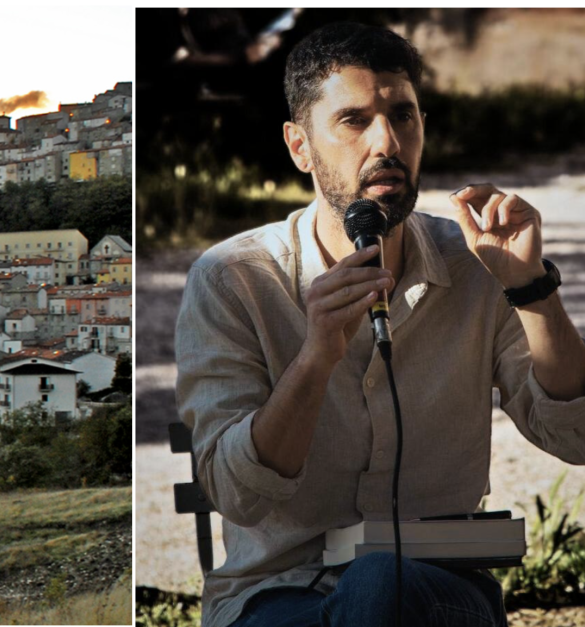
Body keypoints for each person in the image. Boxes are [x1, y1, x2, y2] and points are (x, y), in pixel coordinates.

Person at [175, 21, 585, 627]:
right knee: (369, 589)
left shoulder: (476, 269)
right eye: (354, 120)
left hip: (436, 590)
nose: (386, 141)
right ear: (299, 146)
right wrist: (315, 359)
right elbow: (236, 494)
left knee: (378, 584)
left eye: (403, 115)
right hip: (275, 596)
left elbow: (574, 438)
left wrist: (533, 292)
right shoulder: (231, 278)